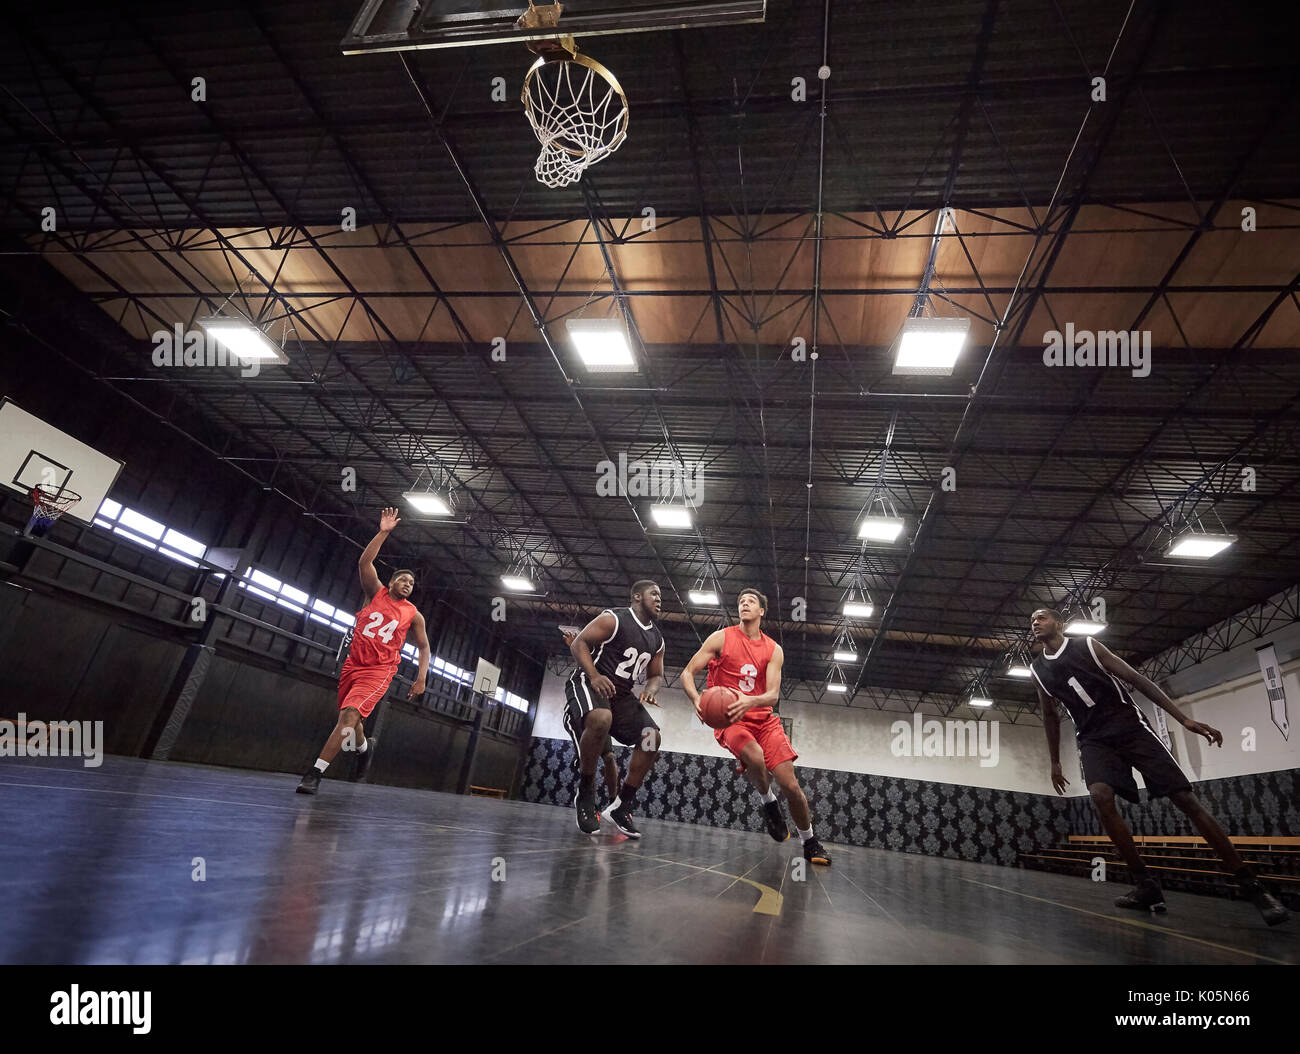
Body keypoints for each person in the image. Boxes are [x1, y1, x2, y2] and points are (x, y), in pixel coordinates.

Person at [1029, 607, 1287, 925]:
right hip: (1094, 739)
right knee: (1100, 796)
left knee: (1185, 799)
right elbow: (1050, 716)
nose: (1035, 624)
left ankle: (1253, 886)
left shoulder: (1089, 646)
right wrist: (1054, 762)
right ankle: (1146, 885)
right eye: (1031, 621)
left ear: (1059, 623)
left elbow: (1136, 679)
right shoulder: (1038, 669)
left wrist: (1184, 718)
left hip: (1130, 728)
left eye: (1041, 618)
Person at [681, 588, 831, 866]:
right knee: (754, 757)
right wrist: (696, 699)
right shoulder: (721, 638)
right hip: (730, 720)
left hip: (764, 719)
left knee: (791, 785)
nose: (744, 604)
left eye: (750, 602)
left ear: (762, 611)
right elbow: (688, 672)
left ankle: (809, 841)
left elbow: (773, 694)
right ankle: (768, 800)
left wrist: (749, 701)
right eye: (740, 601)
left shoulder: (774, 650)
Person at [296, 508, 430, 794]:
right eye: (404, 580)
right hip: (353, 665)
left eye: (412, 583)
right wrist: (383, 532)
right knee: (351, 720)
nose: (408, 584)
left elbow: (424, 646)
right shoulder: (375, 593)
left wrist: (421, 677)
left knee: (348, 717)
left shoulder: (413, 614)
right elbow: (364, 561)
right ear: (391, 582)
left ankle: (314, 773)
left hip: (379, 671)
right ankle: (365, 747)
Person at [565, 581, 665, 837]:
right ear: (636, 596)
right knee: (601, 718)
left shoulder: (657, 638)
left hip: (620, 694)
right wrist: (595, 675)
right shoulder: (614, 619)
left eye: (660, 596)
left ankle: (622, 805)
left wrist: (650, 691)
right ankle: (586, 791)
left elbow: (655, 675)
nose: (659, 599)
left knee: (652, 737)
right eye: (654, 594)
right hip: (590, 681)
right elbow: (578, 643)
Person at [561, 628, 620, 812]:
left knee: (610, 757)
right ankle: (589, 804)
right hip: (576, 717)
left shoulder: (613, 661)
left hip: (599, 716)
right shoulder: (590, 655)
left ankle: (613, 803)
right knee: (589, 760)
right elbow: (581, 654)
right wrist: (574, 645)